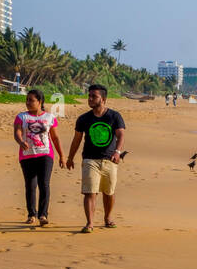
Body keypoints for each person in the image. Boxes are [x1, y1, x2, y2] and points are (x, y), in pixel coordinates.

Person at [65, 84, 126, 233]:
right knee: (90, 192)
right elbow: (77, 139)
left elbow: (120, 135)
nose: (90, 99)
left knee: (109, 192)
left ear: (103, 99)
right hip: (89, 160)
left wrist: (117, 152)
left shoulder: (114, 116)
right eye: (89, 96)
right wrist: (70, 157)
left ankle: (107, 217)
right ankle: (90, 223)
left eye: (94, 96)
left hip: (109, 160)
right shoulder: (84, 119)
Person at [13, 88, 64, 226]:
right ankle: (31, 214)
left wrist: (61, 156)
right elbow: (17, 131)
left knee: (44, 184)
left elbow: (55, 137)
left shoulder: (49, 117)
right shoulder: (21, 117)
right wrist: (20, 141)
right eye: (27, 100)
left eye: (31, 100)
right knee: (30, 185)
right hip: (27, 156)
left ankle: (43, 215)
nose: (28, 102)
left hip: (45, 154)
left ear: (40, 101)